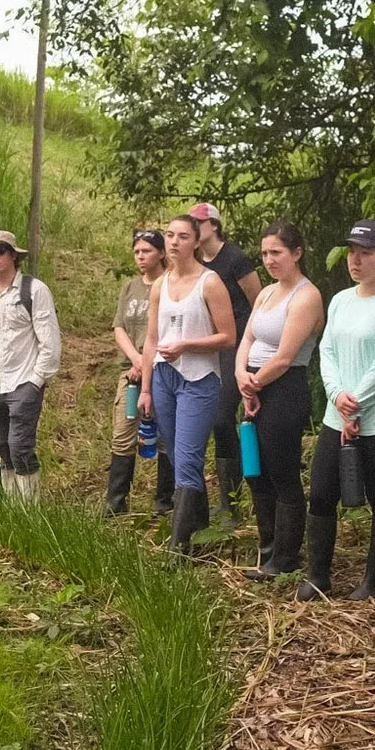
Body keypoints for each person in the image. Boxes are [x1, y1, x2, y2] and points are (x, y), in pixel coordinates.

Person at [299, 219, 375, 601]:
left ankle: (374, 582)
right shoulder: (340, 300)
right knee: (321, 494)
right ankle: (318, 576)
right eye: (352, 252)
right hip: (337, 418)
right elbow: (327, 351)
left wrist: (357, 404)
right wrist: (337, 396)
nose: (355, 260)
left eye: (366, 253)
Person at [140, 213, 237, 555]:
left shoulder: (210, 283)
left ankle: (177, 548)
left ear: (196, 242)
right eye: (170, 235)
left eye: (182, 236)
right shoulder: (160, 284)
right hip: (163, 376)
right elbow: (152, 339)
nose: (174, 242)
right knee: (175, 454)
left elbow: (228, 336)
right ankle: (200, 531)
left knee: (188, 457)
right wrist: (146, 389)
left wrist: (187, 345)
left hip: (199, 378)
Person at [239, 220, 326, 579]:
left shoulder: (306, 296)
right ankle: (268, 547)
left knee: (281, 471)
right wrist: (241, 376)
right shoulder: (265, 293)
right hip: (253, 385)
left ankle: (286, 557)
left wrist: (254, 384)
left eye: (276, 252)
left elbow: (286, 356)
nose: (269, 260)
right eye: (264, 253)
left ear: (297, 253)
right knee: (255, 469)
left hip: (284, 388)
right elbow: (247, 338)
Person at [0, 229, 63, 501]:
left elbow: (50, 341)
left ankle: (30, 510)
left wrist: (36, 380)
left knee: (20, 446)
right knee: (2, 447)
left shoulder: (34, 290)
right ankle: (12, 507)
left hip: (24, 380)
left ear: (13, 255)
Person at [190, 202, 262, 531]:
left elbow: (258, 301)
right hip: (207, 345)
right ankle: (223, 501)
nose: (195, 227)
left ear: (215, 226)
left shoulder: (234, 258)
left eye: (200, 222)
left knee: (222, 417)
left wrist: (252, 345)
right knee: (213, 422)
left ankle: (232, 503)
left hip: (238, 345)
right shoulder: (193, 261)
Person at [106, 228, 167, 516]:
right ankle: (116, 502)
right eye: (137, 252)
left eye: (147, 251)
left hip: (163, 368)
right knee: (122, 433)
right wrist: (135, 359)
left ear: (161, 253)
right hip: (130, 371)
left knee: (165, 436)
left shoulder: (170, 285)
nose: (141, 257)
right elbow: (119, 327)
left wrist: (148, 363)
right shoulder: (130, 286)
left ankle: (164, 501)